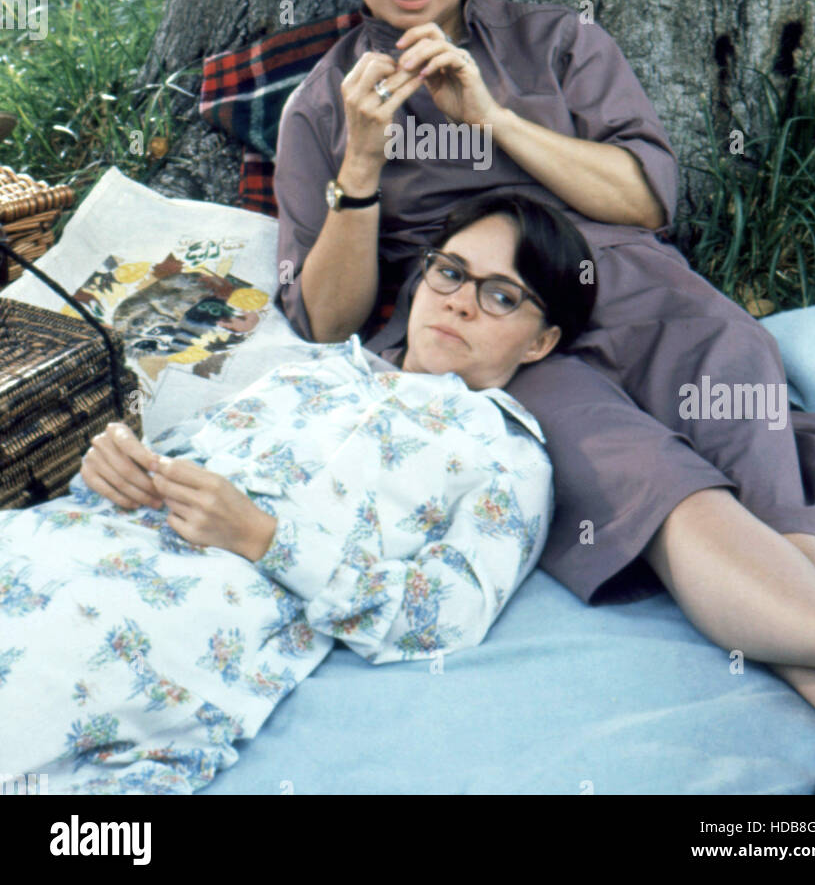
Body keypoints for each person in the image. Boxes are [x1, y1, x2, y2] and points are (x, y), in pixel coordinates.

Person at [273, 0, 815, 793]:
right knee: (663, 488)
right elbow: (329, 318)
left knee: (764, 465)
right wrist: (363, 161)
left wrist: (495, 119)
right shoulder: (323, 104)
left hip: (637, 289)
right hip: (499, 335)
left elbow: (646, 198)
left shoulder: (556, 45)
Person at [0, 192, 591, 795]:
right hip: (65, 539)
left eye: (500, 296)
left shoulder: (508, 452)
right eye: (450, 272)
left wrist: (263, 539)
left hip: (171, 618)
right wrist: (106, 469)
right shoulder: (314, 368)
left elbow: (446, 616)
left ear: (540, 342)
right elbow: (166, 462)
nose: (460, 302)